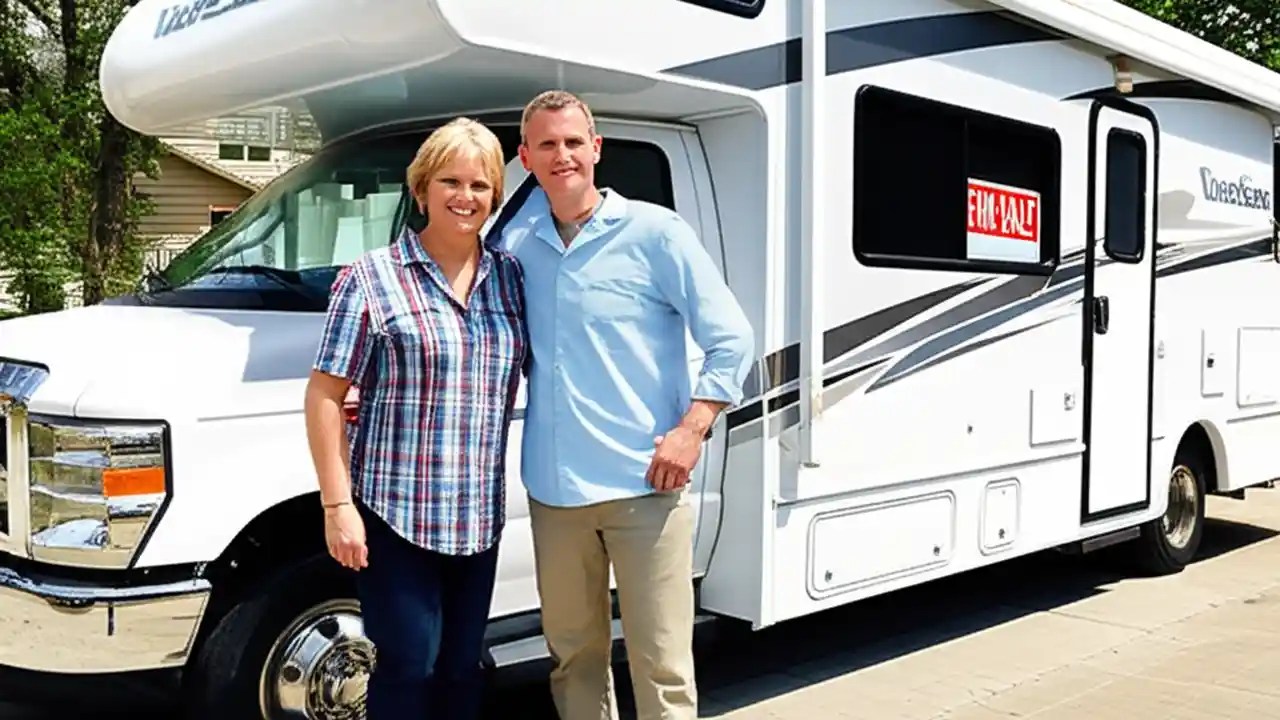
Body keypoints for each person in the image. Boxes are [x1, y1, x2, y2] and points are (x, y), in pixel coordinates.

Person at [496, 90, 755, 720]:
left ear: (597, 149)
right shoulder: (517, 247)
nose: (563, 156)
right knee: (573, 659)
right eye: (548, 145)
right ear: (526, 158)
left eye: (574, 142)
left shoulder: (655, 233)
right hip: (555, 495)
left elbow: (733, 337)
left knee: (661, 664)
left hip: (646, 489)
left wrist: (693, 429)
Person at [303, 117, 527, 719]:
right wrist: (337, 505)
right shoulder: (371, 279)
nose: (466, 197)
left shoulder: (510, 280)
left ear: (495, 196)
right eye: (451, 181)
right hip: (395, 516)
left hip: (477, 517)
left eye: (481, 185)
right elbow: (324, 395)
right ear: (422, 187)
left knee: (460, 670)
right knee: (406, 666)